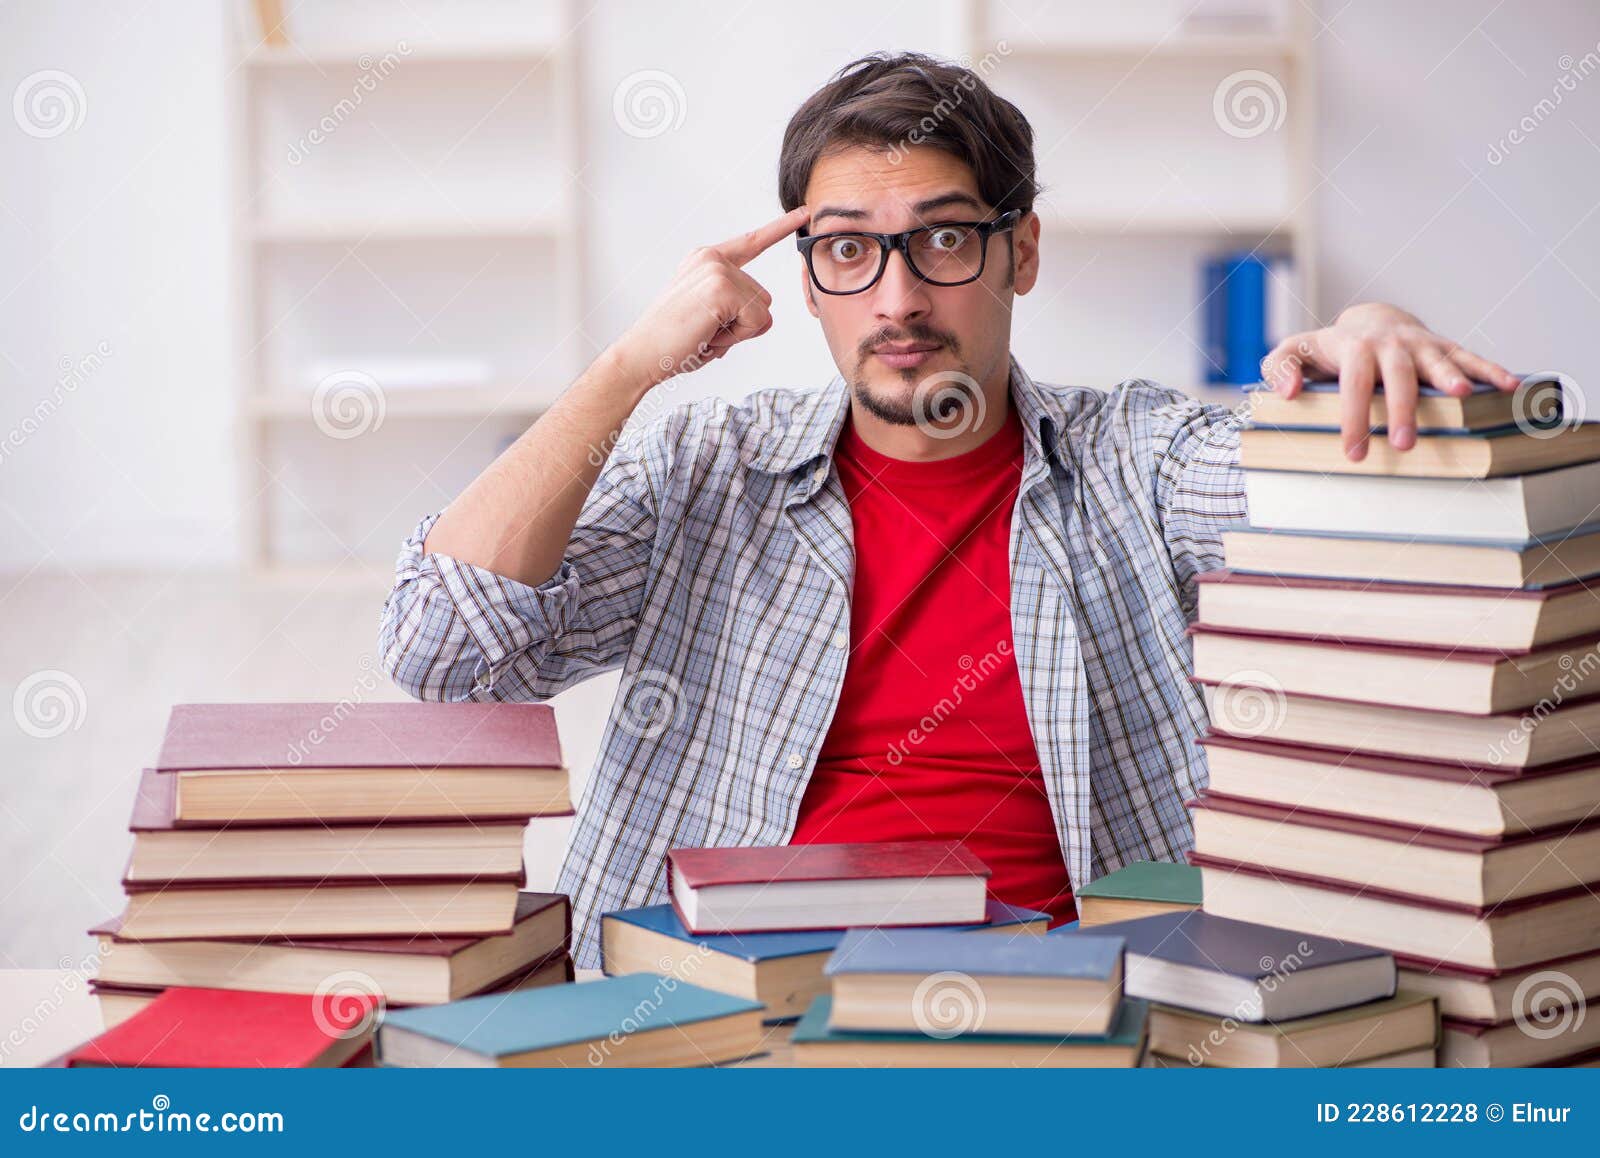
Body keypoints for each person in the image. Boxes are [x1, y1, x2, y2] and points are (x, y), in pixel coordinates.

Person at [379, 52, 1520, 967]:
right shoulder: (704, 463)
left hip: (1058, 1020)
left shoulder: (1134, 456)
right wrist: (627, 365)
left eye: (942, 238)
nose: (897, 297)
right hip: (720, 1019)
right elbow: (446, 652)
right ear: (806, 273)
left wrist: (1370, 334)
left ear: (1019, 251)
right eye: (845, 252)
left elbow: (1392, 533)